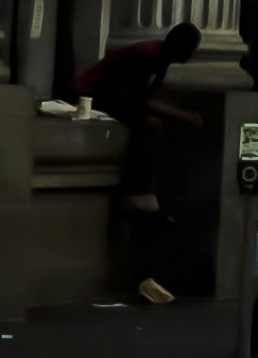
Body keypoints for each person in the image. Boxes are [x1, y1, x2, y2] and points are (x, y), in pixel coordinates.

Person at [81, 22, 211, 302]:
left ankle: (144, 192)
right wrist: (179, 116)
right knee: (148, 128)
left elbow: (145, 98)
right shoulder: (143, 57)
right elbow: (130, 97)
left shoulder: (159, 59)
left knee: (155, 127)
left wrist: (176, 116)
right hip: (94, 96)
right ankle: (139, 192)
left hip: (119, 102)